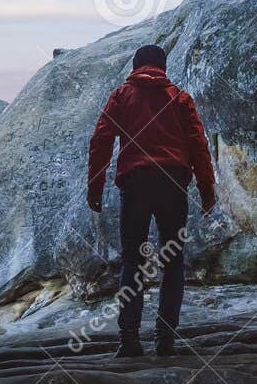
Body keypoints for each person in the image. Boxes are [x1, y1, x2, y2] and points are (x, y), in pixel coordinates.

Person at [86, 43, 216, 357]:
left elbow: (101, 141)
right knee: (173, 263)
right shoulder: (179, 99)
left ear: (135, 67)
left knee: (133, 261)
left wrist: (95, 188)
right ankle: (165, 340)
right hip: (173, 184)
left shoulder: (122, 97)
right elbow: (198, 144)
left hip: (136, 184)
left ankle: (129, 339)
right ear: (163, 67)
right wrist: (207, 190)